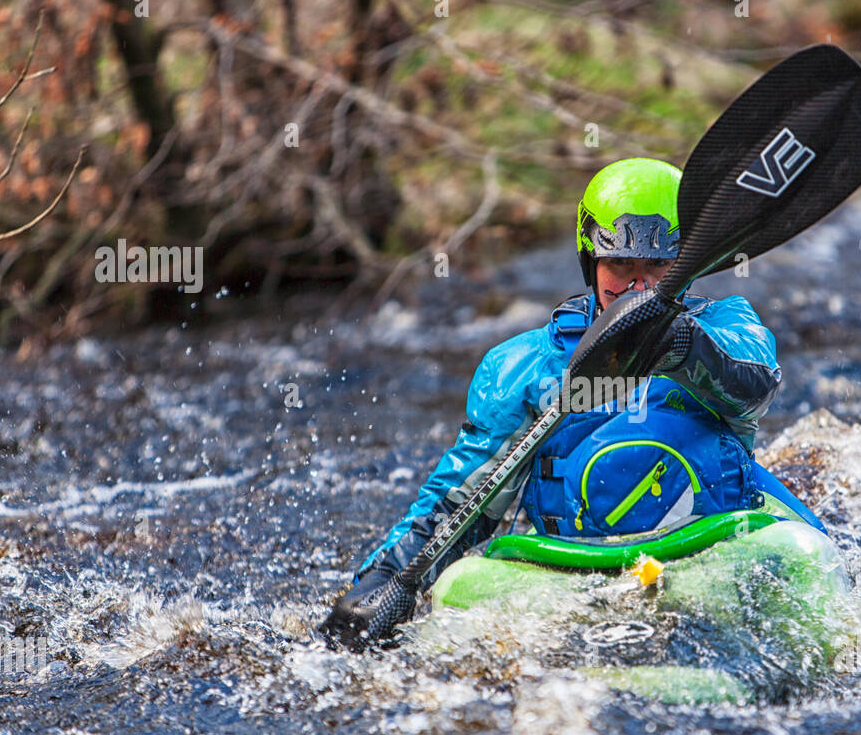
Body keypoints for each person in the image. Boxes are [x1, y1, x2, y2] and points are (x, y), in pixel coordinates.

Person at [352, 157, 825, 598]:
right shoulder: (526, 367)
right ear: (590, 261)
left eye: (659, 265)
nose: (638, 285)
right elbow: (462, 502)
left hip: (713, 548)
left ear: (688, 264)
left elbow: (754, 385)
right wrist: (386, 582)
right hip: (575, 570)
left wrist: (680, 344)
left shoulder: (726, 328)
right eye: (620, 264)